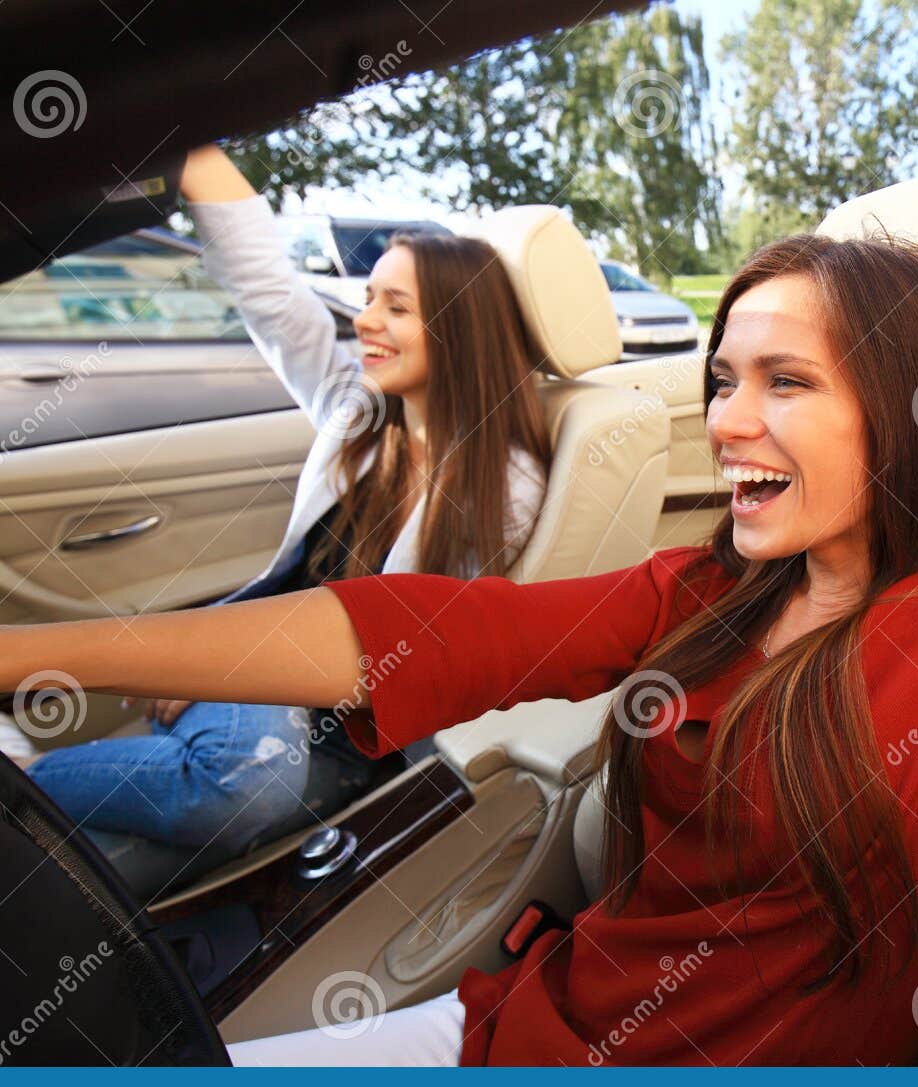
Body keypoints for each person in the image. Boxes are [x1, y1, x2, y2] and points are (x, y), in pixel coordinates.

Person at [0, 0, 918, 1065]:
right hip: (510, 1024)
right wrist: (35, 653)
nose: (727, 421)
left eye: (786, 382)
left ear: (907, 408)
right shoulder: (707, 593)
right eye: (721, 379)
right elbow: (431, 632)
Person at [19, 146, 554, 864]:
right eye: (368, 298)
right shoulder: (356, 410)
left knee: (118, 859)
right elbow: (267, 291)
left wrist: (218, 674)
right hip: (266, 668)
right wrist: (189, 147)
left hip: (348, 726)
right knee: (251, 782)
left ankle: (25, 788)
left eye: (396, 307)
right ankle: (24, 783)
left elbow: (421, 661)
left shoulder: (508, 486)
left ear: (459, 331)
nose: (365, 321)